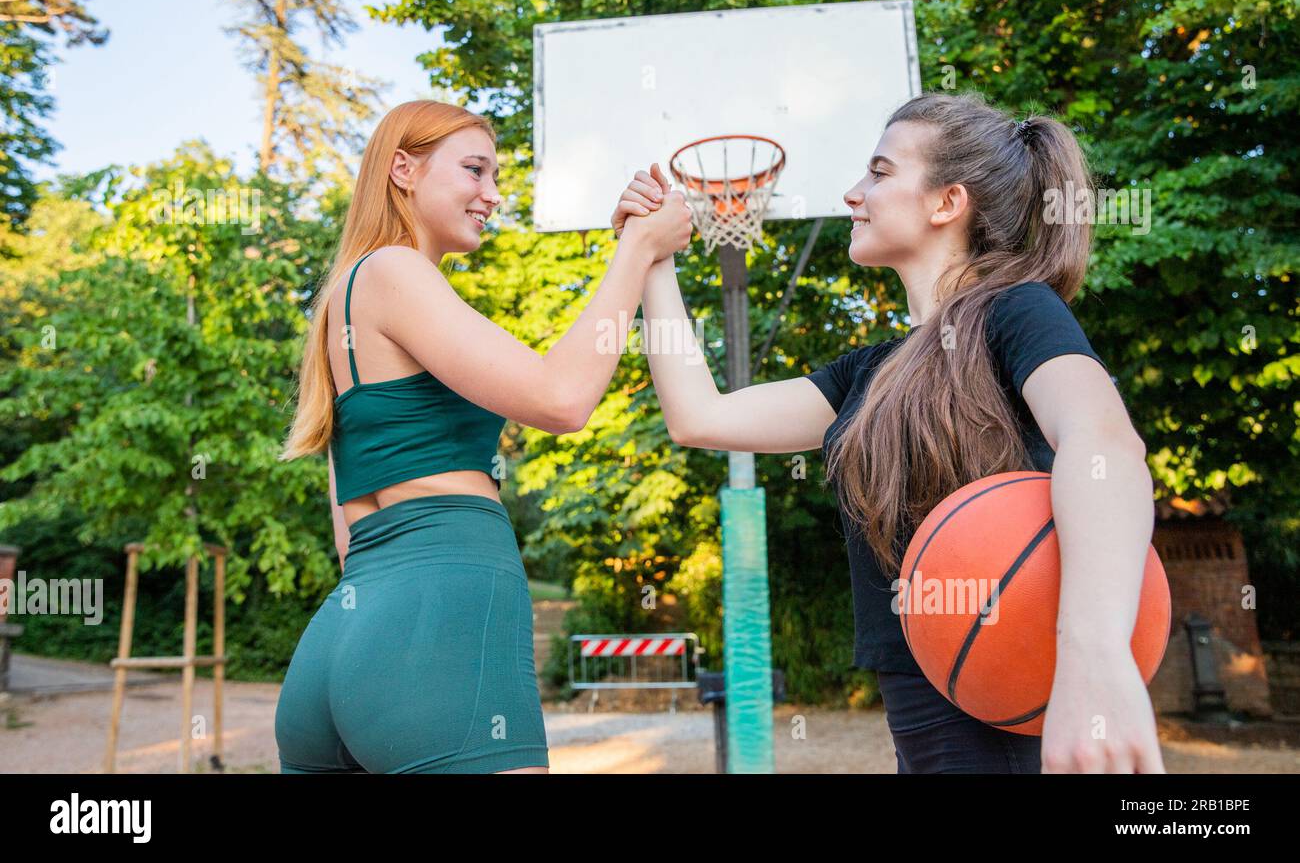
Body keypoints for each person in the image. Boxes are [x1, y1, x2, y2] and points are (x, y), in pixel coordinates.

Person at [622, 90, 1164, 774]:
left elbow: (1105, 446)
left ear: (947, 203)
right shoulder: (868, 373)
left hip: (1020, 724)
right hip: (926, 739)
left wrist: (1097, 652)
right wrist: (653, 259)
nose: (854, 193)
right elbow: (699, 417)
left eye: (878, 173)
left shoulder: (1013, 311)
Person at [275, 100, 692, 773]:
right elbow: (561, 398)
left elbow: (348, 534)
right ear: (403, 169)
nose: (492, 195)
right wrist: (639, 247)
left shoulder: (342, 305)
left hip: (339, 644)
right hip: (439, 618)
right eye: (475, 170)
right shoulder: (395, 271)